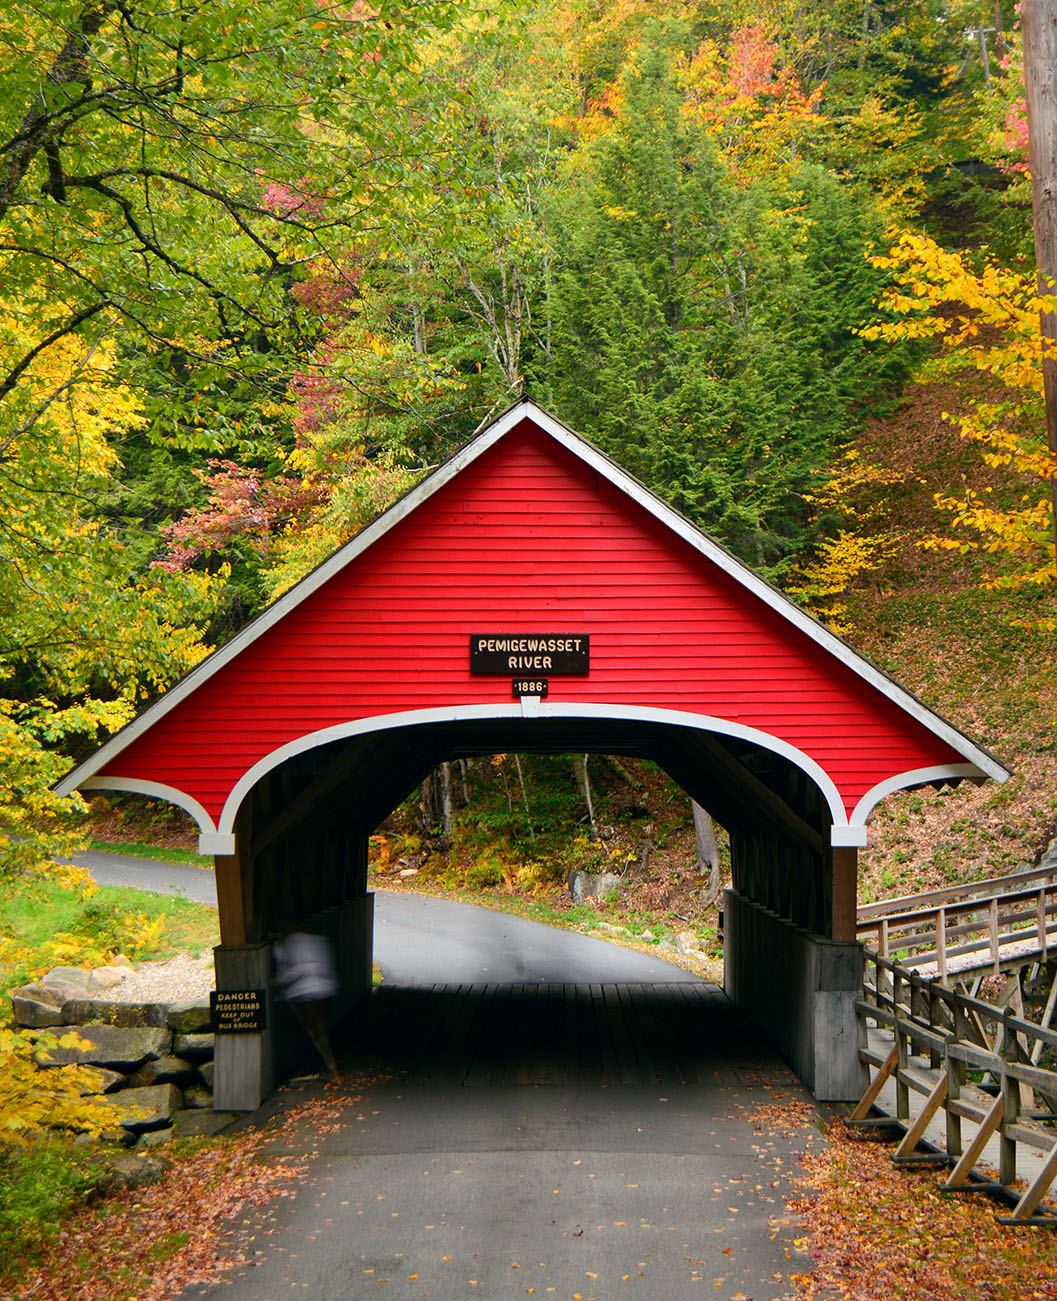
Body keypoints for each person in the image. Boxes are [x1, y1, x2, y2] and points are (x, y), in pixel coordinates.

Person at [273, 928, 340, 1084]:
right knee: (320, 1031)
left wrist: (279, 981)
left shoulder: (290, 943)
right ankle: (331, 1068)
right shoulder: (318, 940)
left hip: (303, 992)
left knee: (309, 1032)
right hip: (324, 989)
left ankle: (315, 1067)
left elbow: (298, 969)